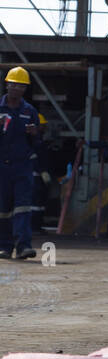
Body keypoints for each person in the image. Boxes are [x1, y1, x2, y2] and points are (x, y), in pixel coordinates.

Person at [0, 66, 42, 259]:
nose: (17, 89)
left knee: (23, 206)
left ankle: (23, 246)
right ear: (7, 84)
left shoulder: (29, 111)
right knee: (3, 209)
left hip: (22, 166)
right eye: (14, 85)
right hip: (2, 166)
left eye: (21, 86)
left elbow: (37, 144)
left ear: (25, 89)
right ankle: (5, 247)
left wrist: (35, 135)